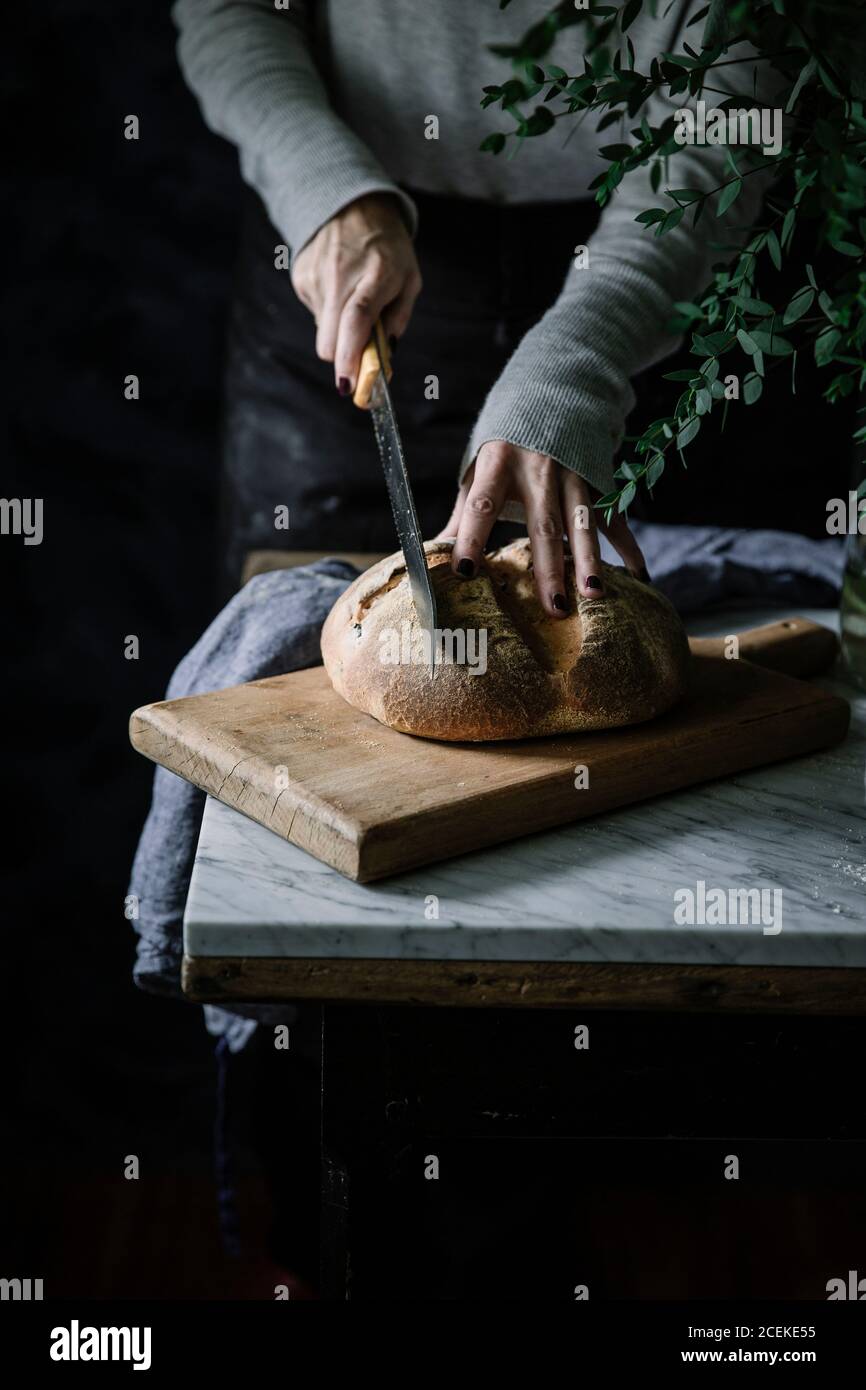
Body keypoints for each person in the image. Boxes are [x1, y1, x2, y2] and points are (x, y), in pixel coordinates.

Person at [173, 0, 773, 608]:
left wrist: (574, 371)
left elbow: (727, 114)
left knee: (653, 622)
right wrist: (323, 187)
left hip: (645, 290)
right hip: (352, 261)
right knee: (298, 627)